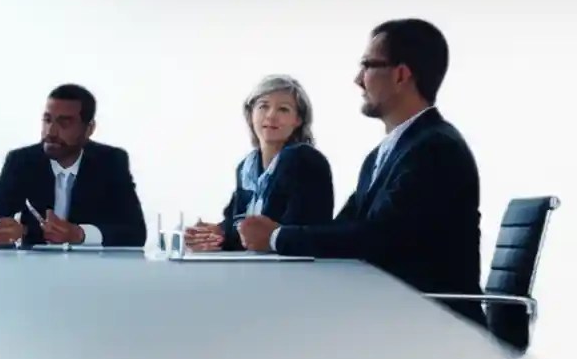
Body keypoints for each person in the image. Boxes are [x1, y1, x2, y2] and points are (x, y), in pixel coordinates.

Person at [238, 19, 485, 325]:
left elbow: (376, 240)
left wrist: (276, 237)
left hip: (432, 321)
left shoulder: (435, 149)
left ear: (400, 75)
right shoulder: (383, 155)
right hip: (394, 311)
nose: (358, 79)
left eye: (367, 65)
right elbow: (344, 229)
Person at [0, 84, 146, 248]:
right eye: (47, 120)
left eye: (64, 123)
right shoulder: (21, 161)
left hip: (91, 271)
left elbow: (136, 233)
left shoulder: (110, 161)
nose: (51, 132)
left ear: (89, 129)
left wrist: (79, 234)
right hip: (33, 270)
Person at [184, 75, 334, 252]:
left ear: (298, 120)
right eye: (263, 106)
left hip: (294, 274)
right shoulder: (246, 166)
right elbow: (239, 226)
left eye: (283, 110)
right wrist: (215, 234)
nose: (271, 116)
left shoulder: (303, 159)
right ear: (251, 113)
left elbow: (291, 234)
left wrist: (229, 234)